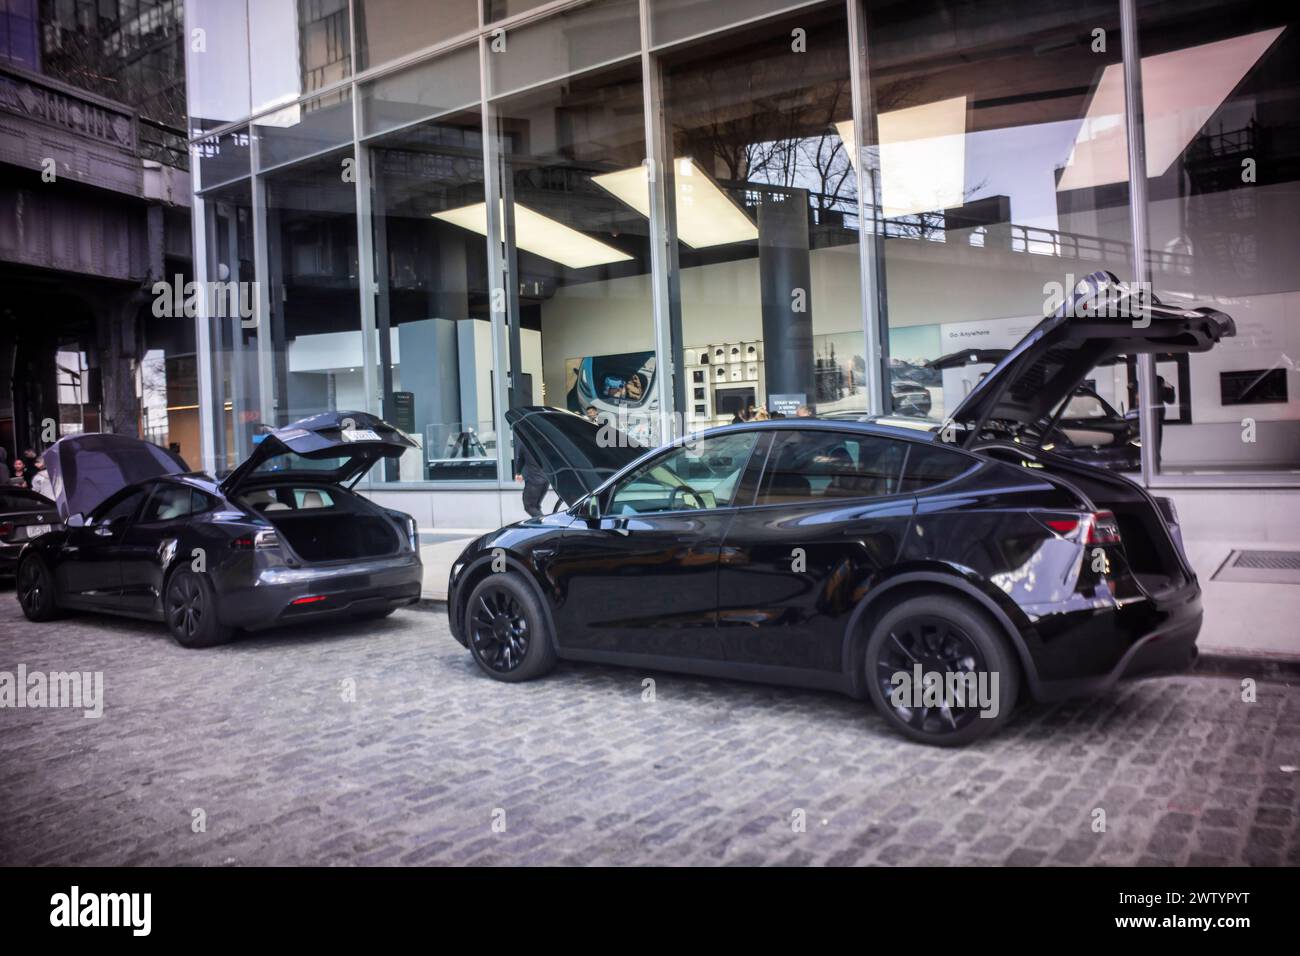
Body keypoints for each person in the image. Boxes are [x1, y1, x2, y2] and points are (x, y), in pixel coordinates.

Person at [513, 436, 549, 519]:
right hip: (545, 481)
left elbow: (520, 460)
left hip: (534, 482)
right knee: (535, 507)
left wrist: (518, 473)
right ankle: (540, 525)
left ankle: (544, 523)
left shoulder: (525, 445)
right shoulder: (544, 444)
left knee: (529, 506)